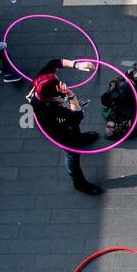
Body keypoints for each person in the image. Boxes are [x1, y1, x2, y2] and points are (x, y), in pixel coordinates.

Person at [27, 58, 104, 195]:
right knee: (72, 153)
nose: (63, 83)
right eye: (61, 85)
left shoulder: (41, 81)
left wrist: (77, 65)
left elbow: (54, 63)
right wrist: (71, 96)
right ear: (54, 97)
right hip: (56, 129)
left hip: (62, 118)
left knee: (74, 131)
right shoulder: (49, 109)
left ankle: (79, 138)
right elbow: (77, 116)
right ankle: (79, 183)